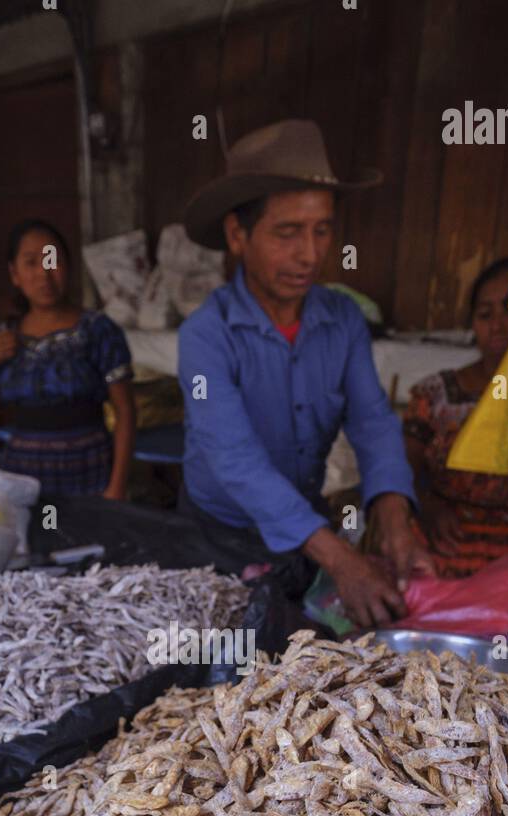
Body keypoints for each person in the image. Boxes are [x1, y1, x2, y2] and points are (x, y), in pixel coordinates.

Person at [179, 119, 434, 629]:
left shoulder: (343, 321)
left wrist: (392, 511)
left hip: (306, 521)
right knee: (226, 660)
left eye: (322, 231)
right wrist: (342, 559)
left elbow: (372, 421)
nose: (310, 254)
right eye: (287, 233)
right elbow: (237, 462)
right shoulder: (206, 336)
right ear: (237, 235)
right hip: (221, 533)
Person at [403, 258, 508, 617]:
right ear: (472, 325)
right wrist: (429, 506)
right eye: (485, 315)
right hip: (447, 539)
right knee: (436, 653)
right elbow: (403, 463)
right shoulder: (435, 394)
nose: (497, 326)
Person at [0, 219, 135, 499]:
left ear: (68, 267)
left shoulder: (97, 330)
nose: (44, 274)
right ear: (14, 274)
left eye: (51, 260)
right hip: (22, 476)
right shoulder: (3, 337)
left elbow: (126, 412)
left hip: (90, 471)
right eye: (31, 263)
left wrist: (116, 487)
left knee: (89, 542)